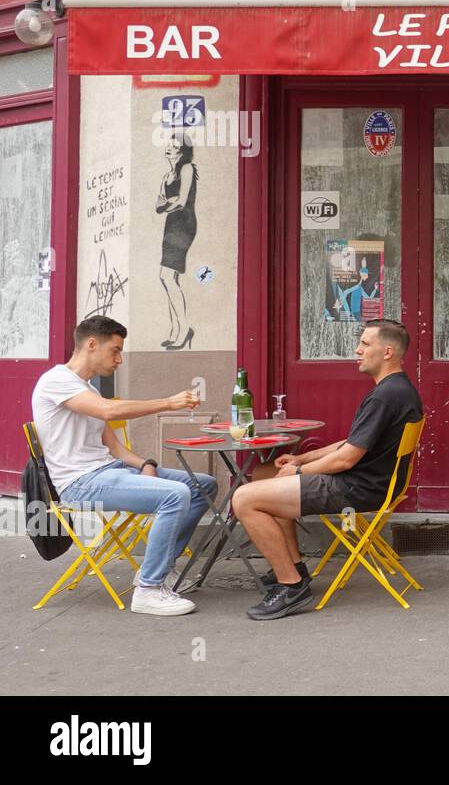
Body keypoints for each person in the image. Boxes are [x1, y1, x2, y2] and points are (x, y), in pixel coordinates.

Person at [232, 319, 423, 620]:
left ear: (388, 352)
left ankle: (291, 587)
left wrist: (298, 474)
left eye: (365, 344)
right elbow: (350, 443)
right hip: (369, 481)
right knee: (265, 474)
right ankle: (294, 566)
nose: (357, 350)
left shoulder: (387, 395)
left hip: (356, 487)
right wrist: (300, 461)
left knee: (244, 498)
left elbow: (346, 459)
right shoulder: (395, 389)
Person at [30, 315, 209, 616]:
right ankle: (149, 590)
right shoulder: (56, 381)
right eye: (115, 350)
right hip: (80, 483)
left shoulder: (87, 389)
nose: (120, 359)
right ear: (91, 345)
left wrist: (145, 464)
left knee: (202, 484)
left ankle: (158, 570)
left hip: (108, 471)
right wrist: (168, 402)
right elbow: (109, 411)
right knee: (175, 494)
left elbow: (113, 447)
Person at [156, 133, 198, 350]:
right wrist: (167, 203)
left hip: (183, 225)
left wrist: (169, 202)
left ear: (182, 151)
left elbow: (181, 202)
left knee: (167, 276)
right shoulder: (166, 176)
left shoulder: (187, 168)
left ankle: (184, 329)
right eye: (168, 145)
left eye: (174, 146)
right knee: (168, 278)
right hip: (170, 226)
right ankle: (175, 330)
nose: (169, 148)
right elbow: (158, 206)